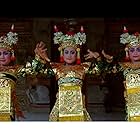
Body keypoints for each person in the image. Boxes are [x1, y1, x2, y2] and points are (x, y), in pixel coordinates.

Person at [33, 25, 101, 121]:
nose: (69, 55)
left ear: (77, 53)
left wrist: (98, 58)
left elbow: (99, 70)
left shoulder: (83, 67)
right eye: (66, 52)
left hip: (78, 107)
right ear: (62, 53)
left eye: (72, 52)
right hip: (60, 108)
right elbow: (39, 70)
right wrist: (39, 58)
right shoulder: (56, 67)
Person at [0, 24, 46, 121]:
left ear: (11, 54)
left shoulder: (17, 69)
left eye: (5, 53)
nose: (2, 57)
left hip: (9, 109)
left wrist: (38, 57)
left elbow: (33, 69)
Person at [101, 26, 140, 121]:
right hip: (131, 107)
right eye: (132, 50)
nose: (135, 53)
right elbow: (106, 68)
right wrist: (100, 58)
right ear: (127, 52)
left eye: (138, 49)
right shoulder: (123, 66)